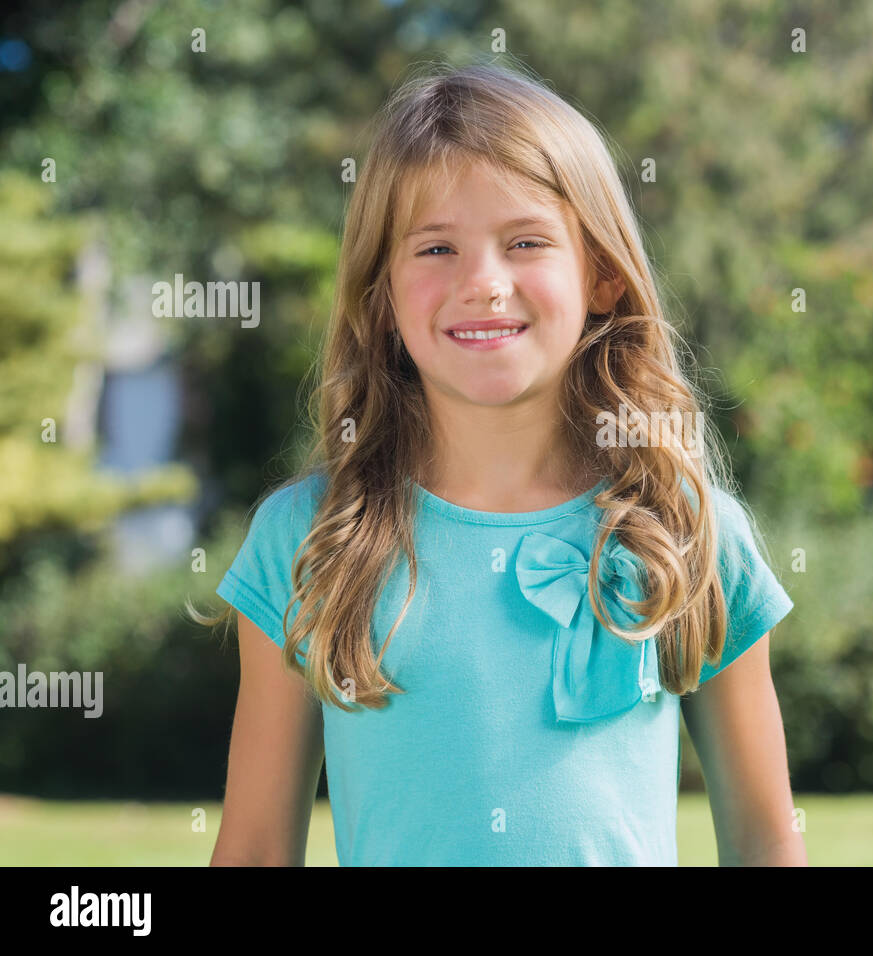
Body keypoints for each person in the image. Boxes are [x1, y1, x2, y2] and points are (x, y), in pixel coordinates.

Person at [202, 60, 803, 866]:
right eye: (437, 248)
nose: (483, 283)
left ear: (602, 275)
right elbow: (252, 852)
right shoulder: (304, 540)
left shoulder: (689, 532)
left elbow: (768, 843)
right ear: (381, 297)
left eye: (524, 242)